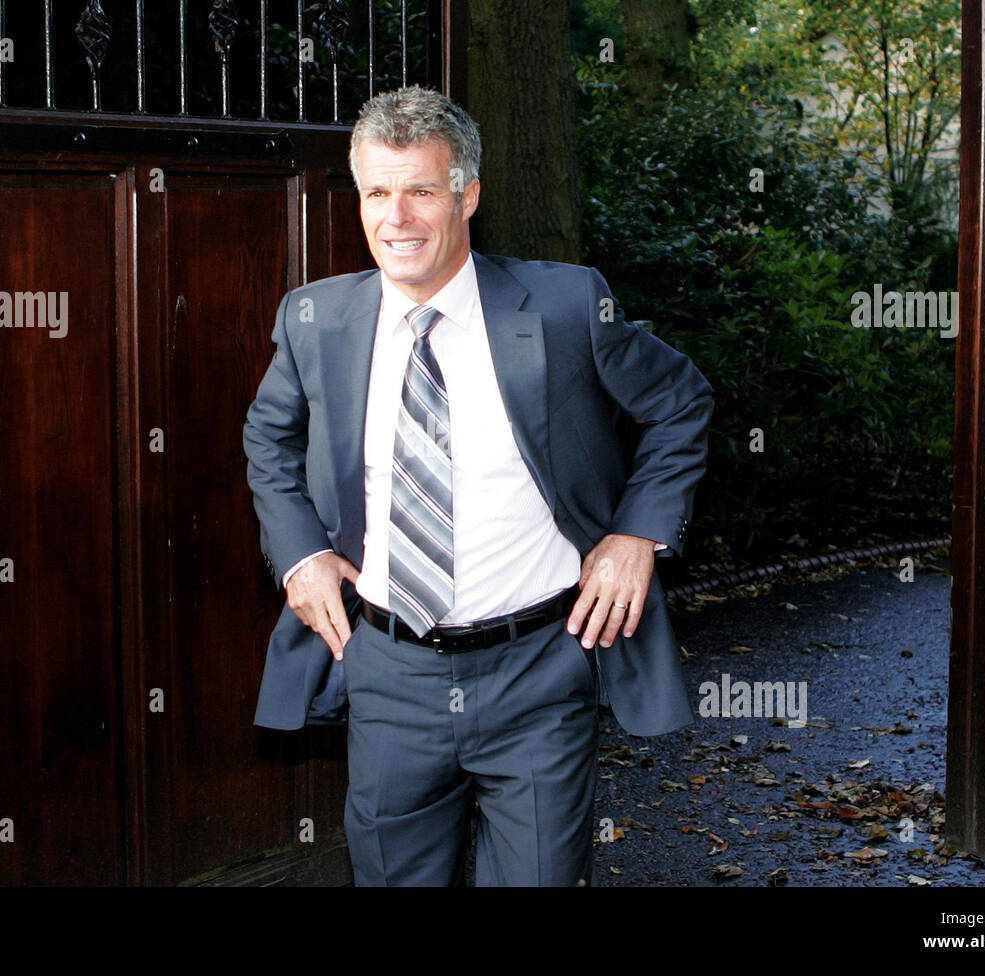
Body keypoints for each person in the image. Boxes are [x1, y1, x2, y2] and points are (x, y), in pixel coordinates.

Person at [243, 85, 713, 886]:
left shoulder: (565, 306)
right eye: (378, 193)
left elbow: (681, 403)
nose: (398, 219)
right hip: (386, 672)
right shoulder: (314, 319)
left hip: (538, 670)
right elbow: (268, 438)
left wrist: (638, 534)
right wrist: (301, 556)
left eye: (421, 191)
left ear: (467, 195)